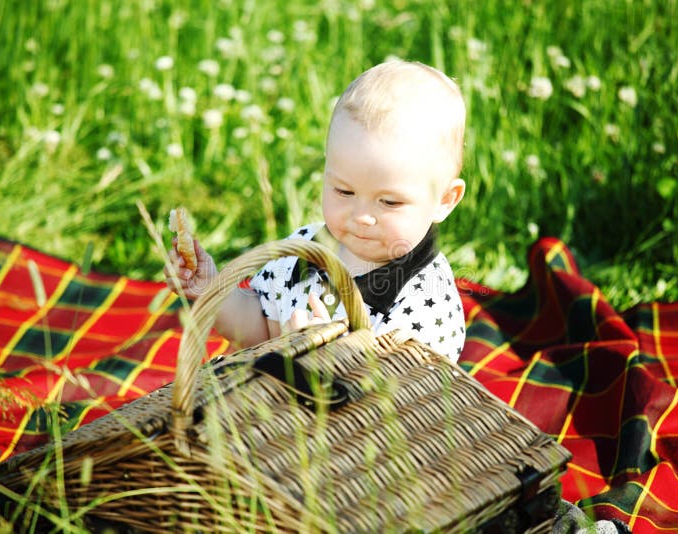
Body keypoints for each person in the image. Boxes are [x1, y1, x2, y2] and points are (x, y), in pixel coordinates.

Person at [166, 60, 467, 361]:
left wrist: (332, 358)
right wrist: (212, 291)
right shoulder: (304, 251)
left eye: (390, 202)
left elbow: (405, 396)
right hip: (272, 403)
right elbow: (259, 328)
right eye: (344, 191)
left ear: (445, 200)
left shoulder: (426, 300)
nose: (361, 216)